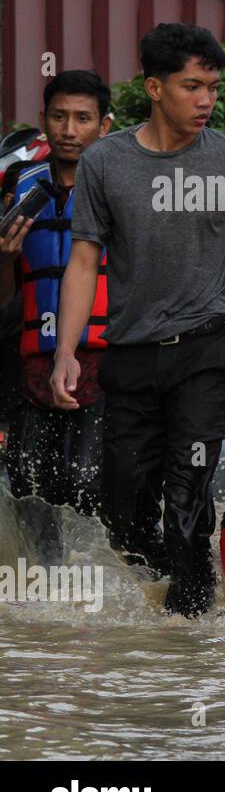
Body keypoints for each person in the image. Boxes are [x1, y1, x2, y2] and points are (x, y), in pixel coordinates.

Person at [54, 22, 225, 616]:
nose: (206, 99)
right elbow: (83, 262)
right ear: (155, 88)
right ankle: (177, 597)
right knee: (121, 510)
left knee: (187, 502)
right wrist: (66, 351)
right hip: (129, 356)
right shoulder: (105, 162)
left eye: (213, 86)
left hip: (204, 355)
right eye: (191, 86)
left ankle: (191, 639)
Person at [0, 70, 112, 512]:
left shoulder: (120, 188)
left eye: (83, 119)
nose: (69, 130)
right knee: (29, 499)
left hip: (105, 367)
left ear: (104, 126)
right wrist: (5, 256)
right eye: (59, 117)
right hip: (33, 368)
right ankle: (40, 583)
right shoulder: (18, 188)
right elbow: (7, 300)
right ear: (42, 119)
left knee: (91, 492)